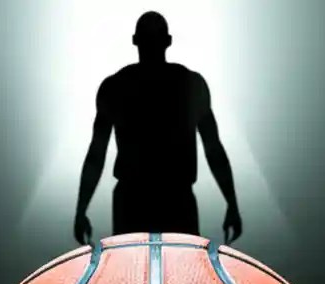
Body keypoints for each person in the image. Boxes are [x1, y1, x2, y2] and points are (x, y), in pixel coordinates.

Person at [74, 11, 243, 245]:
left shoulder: (115, 87)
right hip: (173, 200)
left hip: (136, 202)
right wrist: (231, 203)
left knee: (135, 276)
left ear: (135, 41)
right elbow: (213, 149)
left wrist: (81, 210)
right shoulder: (191, 84)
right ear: (168, 41)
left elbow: (96, 154)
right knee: (178, 276)